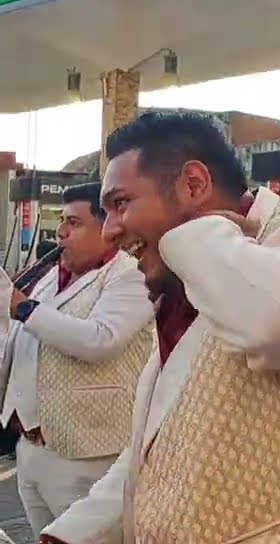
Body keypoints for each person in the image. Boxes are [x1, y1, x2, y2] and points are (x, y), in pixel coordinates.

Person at [40, 111, 280, 543]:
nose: (111, 230)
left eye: (120, 204)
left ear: (194, 184)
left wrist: (198, 231)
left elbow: (272, 322)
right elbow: (161, 449)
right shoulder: (191, 278)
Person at [0, 183, 154, 533]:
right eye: (62, 223)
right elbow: (18, 340)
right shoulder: (50, 277)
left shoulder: (131, 274)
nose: (62, 234)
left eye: (73, 223)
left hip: (88, 452)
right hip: (32, 446)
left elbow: (100, 339)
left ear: (107, 226)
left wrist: (22, 307)